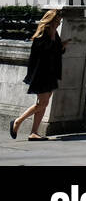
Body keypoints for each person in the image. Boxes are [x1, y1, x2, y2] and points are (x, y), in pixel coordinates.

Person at [11, 9, 65, 141]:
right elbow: (44, 54)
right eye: (56, 22)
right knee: (43, 103)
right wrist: (53, 40)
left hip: (51, 73)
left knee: (43, 103)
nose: (58, 24)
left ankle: (34, 132)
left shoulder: (54, 33)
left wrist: (62, 45)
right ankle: (18, 121)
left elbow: (56, 51)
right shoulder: (42, 35)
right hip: (41, 74)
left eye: (59, 22)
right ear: (50, 21)